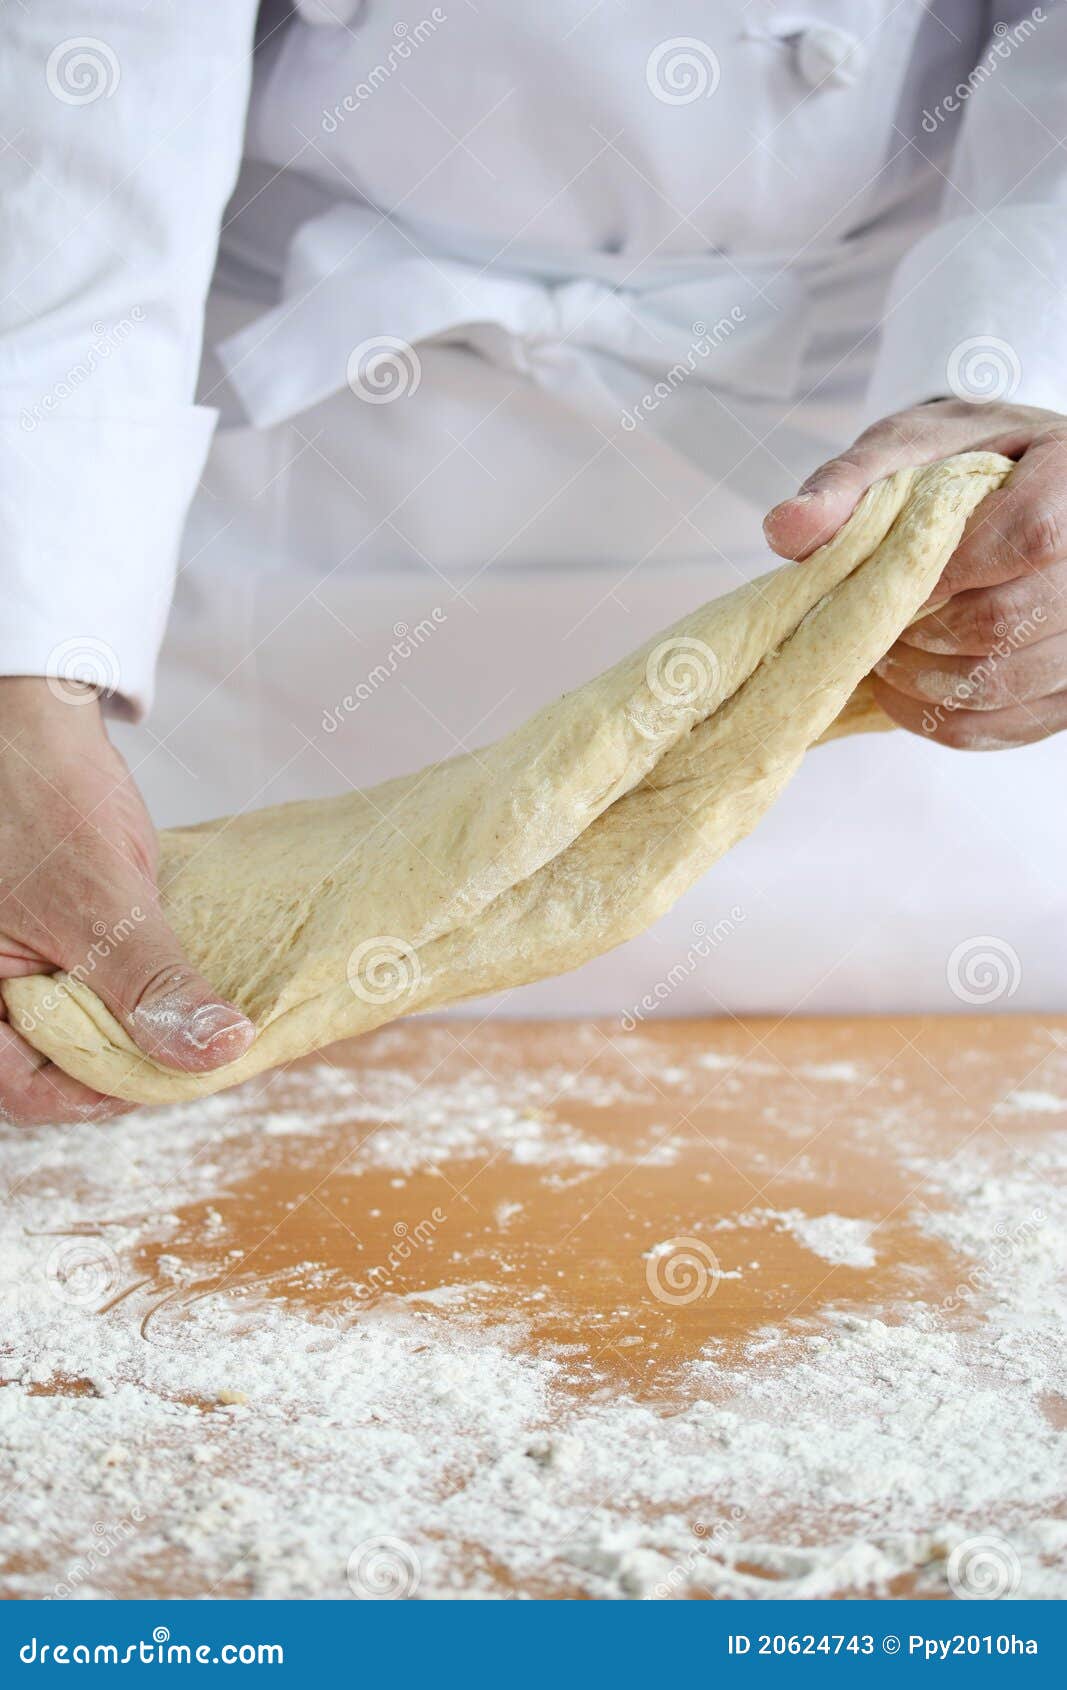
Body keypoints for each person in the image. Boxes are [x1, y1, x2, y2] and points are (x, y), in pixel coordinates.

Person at [2, 2, 1065, 1125]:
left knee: (907, 1123)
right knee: (144, 990)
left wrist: (1028, 371)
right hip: (256, 493)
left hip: (888, 452)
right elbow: (77, 90)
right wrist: (25, 671)